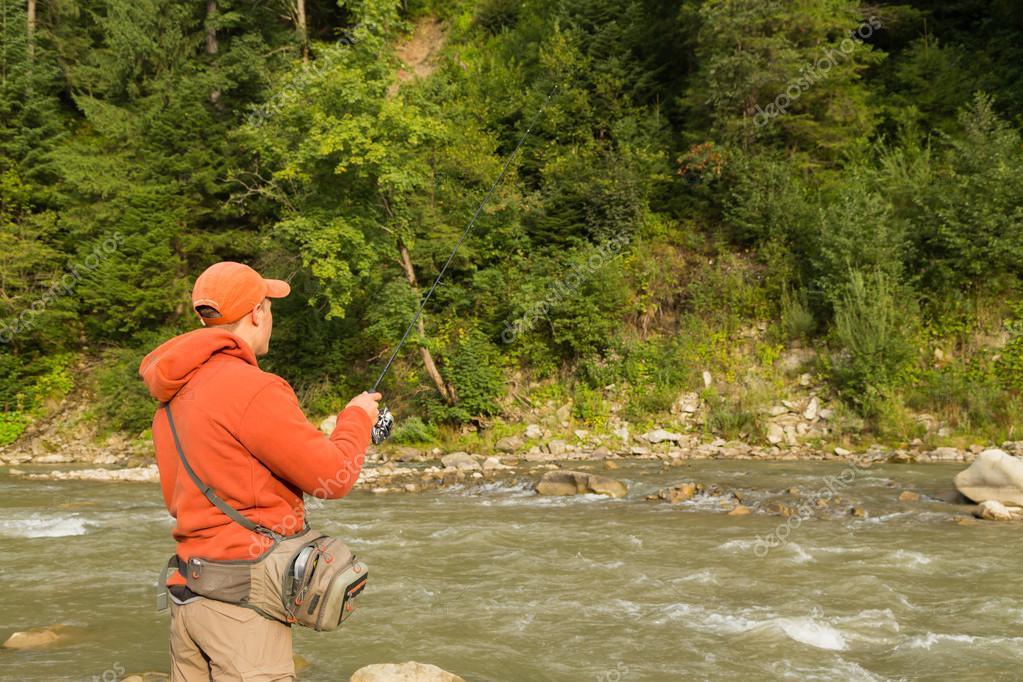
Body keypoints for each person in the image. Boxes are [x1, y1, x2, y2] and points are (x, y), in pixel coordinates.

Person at [139, 261, 380, 681]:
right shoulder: (253, 387)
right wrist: (357, 417)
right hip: (241, 608)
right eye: (268, 306)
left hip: (189, 595)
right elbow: (335, 477)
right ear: (256, 313)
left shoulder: (172, 396)